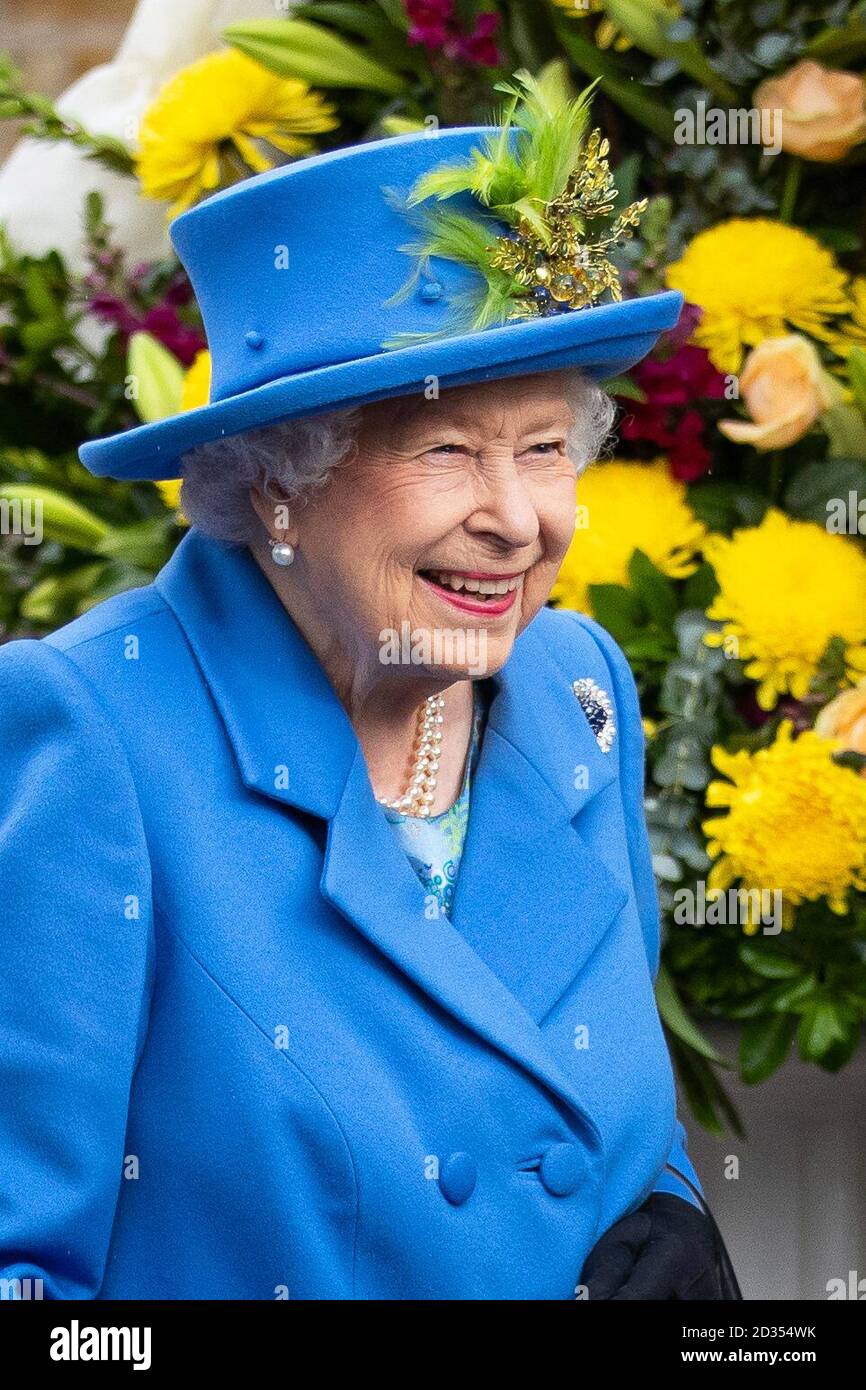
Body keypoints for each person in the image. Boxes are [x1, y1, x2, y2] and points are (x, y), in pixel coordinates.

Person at [0, 78, 734, 1299]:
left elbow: (590, 1098)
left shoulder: (575, 687)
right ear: (277, 481)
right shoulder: (97, 733)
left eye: (544, 448)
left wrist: (670, 1210)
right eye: (447, 449)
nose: (516, 520)